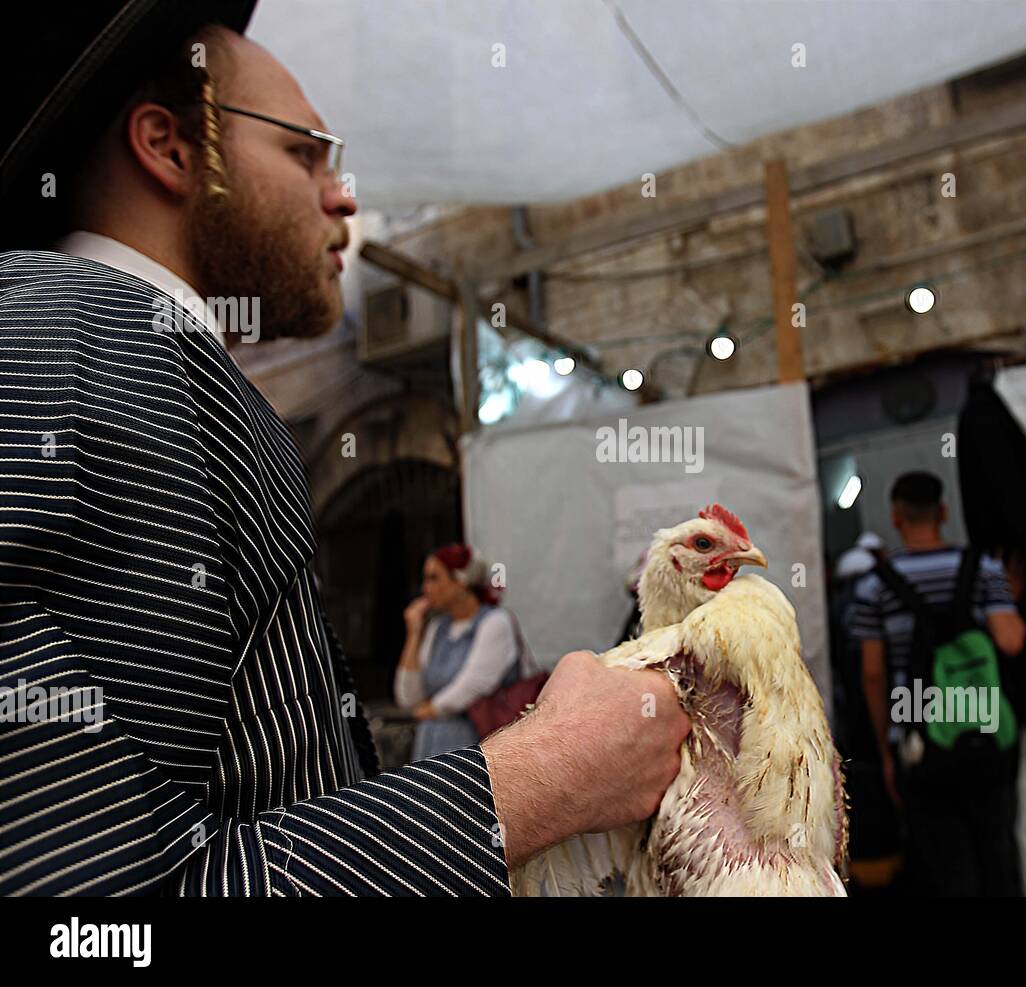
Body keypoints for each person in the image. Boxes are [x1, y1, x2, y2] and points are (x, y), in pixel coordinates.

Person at [0, 3, 689, 896]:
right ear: (168, 147)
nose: (345, 196)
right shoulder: (84, 333)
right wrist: (544, 777)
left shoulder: (136, 349)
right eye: (303, 151)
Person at [846, 471, 1026, 896]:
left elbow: (872, 673)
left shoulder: (874, 586)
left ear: (896, 518)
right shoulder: (983, 568)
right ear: (943, 512)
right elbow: (1011, 641)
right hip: (986, 732)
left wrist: (887, 748)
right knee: (997, 853)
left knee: (946, 866)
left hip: (919, 738)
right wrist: (1006, 598)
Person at [396, 545, 527, 758]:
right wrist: (413, 633)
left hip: (475, 745)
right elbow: (408, 696)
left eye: (434, 578)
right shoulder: (437, 628)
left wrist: (431, 709)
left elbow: (475, 684)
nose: (425, 588)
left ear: (460, 581)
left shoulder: (495, 622)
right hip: (431, 746)